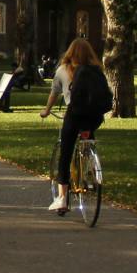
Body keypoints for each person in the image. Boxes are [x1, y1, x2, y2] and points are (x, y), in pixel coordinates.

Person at [47, 39, 112, 212]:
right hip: (94, 116)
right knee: (87, 137)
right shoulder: (97, 71)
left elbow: (54, 92)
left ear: (70, 52)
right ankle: (90, 170)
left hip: (75, 114)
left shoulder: (63, 70)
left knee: (66, 153)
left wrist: (46, 110)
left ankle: (62, 199)